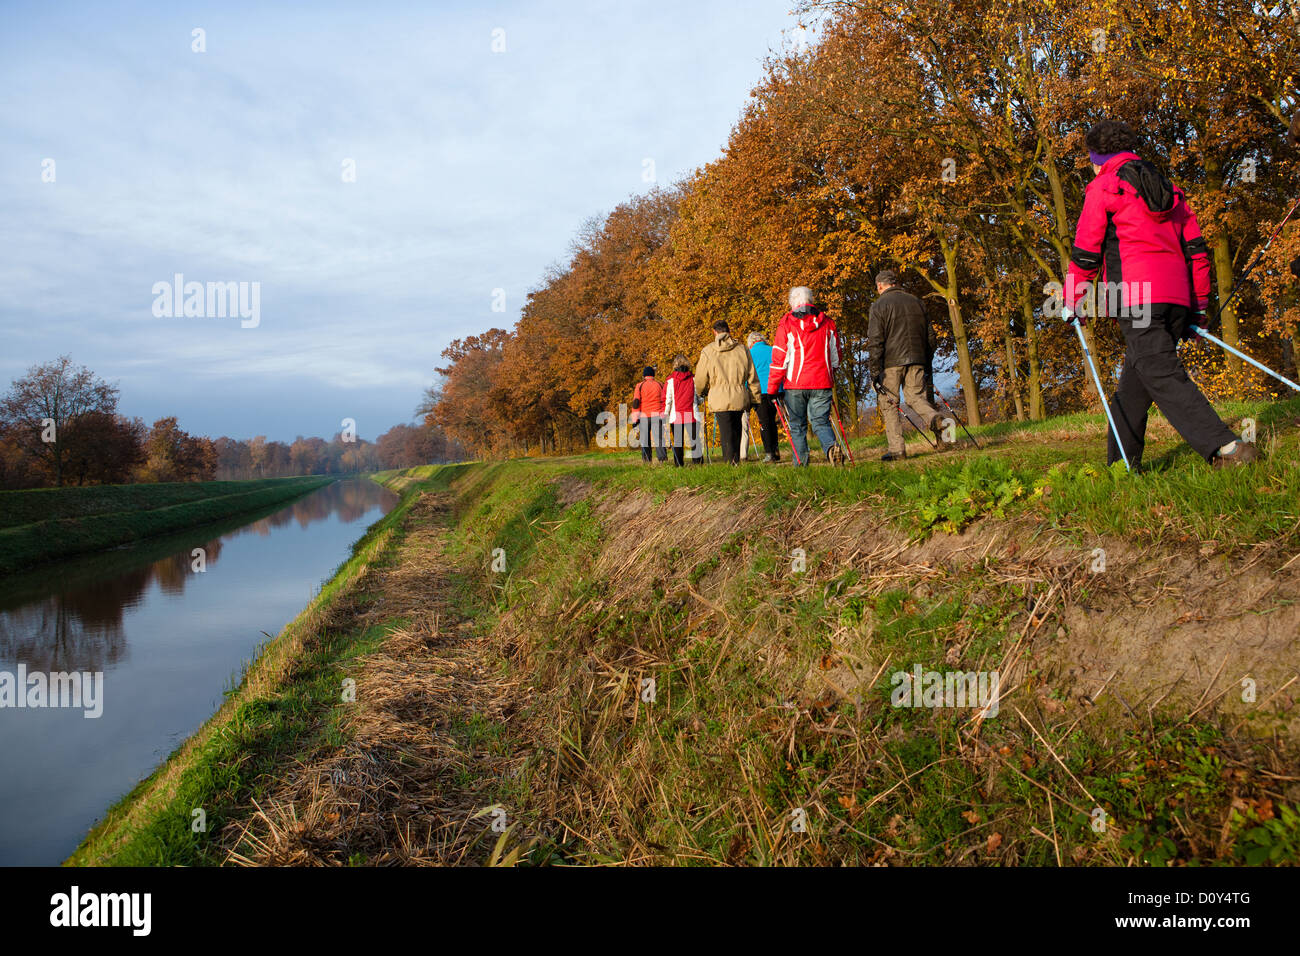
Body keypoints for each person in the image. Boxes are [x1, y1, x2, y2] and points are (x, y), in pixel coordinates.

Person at [1063, 119, 1256, 469]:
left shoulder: (1104, 187)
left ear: (1097, 156)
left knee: (1163, 374)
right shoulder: (1170, 189)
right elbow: (1197, 252)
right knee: (1135, 386)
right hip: (1177, 298)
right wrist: (1197, 308)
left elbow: (1086, 252)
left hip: (1137, 297)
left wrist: (1073, 299)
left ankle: (1229, 449)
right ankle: (1121, 466)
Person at [868, 269, 950, 461]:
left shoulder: (879, 306)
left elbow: (875, 340)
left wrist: (874, 371)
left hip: (891, 362)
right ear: (895, 283)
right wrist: (926, 360)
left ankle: (897, 450)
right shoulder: (917, 302)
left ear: (880, 286)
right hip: (917, 358)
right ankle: (939, 425)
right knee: (916, 398)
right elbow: (931, 336)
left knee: (889, 403)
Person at [767, 287, 845, 465]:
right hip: (822, 381)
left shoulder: (786, 323)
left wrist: (772, 389)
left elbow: (779, 359)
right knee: (820, 421)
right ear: (811, 300)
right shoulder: (827, 323)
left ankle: (801, 463)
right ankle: (832, 448)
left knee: (797, 425)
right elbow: (836, 356)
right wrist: (831, 371)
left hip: (795, 384)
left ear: (793, 303)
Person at [695, 320, 761, 465]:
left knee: (726, 432)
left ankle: (729, 464)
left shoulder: (708, 351)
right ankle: (735, 461)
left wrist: (701, 391)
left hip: (719, 397)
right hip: (739, 395)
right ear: (728, 331)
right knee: (737, 430)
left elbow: (700, 378)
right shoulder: (743, 350)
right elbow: (752, 377)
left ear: (715, 332)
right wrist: (755, 398)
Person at [740, 331, 781, 462]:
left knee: (764, 423)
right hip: (776, 390)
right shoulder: (773, 350)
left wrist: (745, 390)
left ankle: (769, 453)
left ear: (751, 343)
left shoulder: (749, 354)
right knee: (772, 421)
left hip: (759, 391)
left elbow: (747, 375)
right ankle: (775, 449)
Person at [663, 354, 703, 467]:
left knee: (678, 442)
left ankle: (679, 464)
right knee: (695, 440)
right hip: (692, 413)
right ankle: (698, 463)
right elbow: (699, 397)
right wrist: (699, 401)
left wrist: (665, 414)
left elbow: (667, 400)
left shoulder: (670, 381)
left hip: (676, 415)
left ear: (675, 365)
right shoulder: (694, 379)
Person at [632, 366, 667, 464]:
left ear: (644, 376)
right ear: (653, 375)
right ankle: (662, 460)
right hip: (657, 415)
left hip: (644, 416)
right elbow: (665, 400)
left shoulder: (639, 386)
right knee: (659, 439)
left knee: (645, 440)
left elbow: (636, 403)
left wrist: (635, 419)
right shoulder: (660, 384)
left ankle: (647, 461)